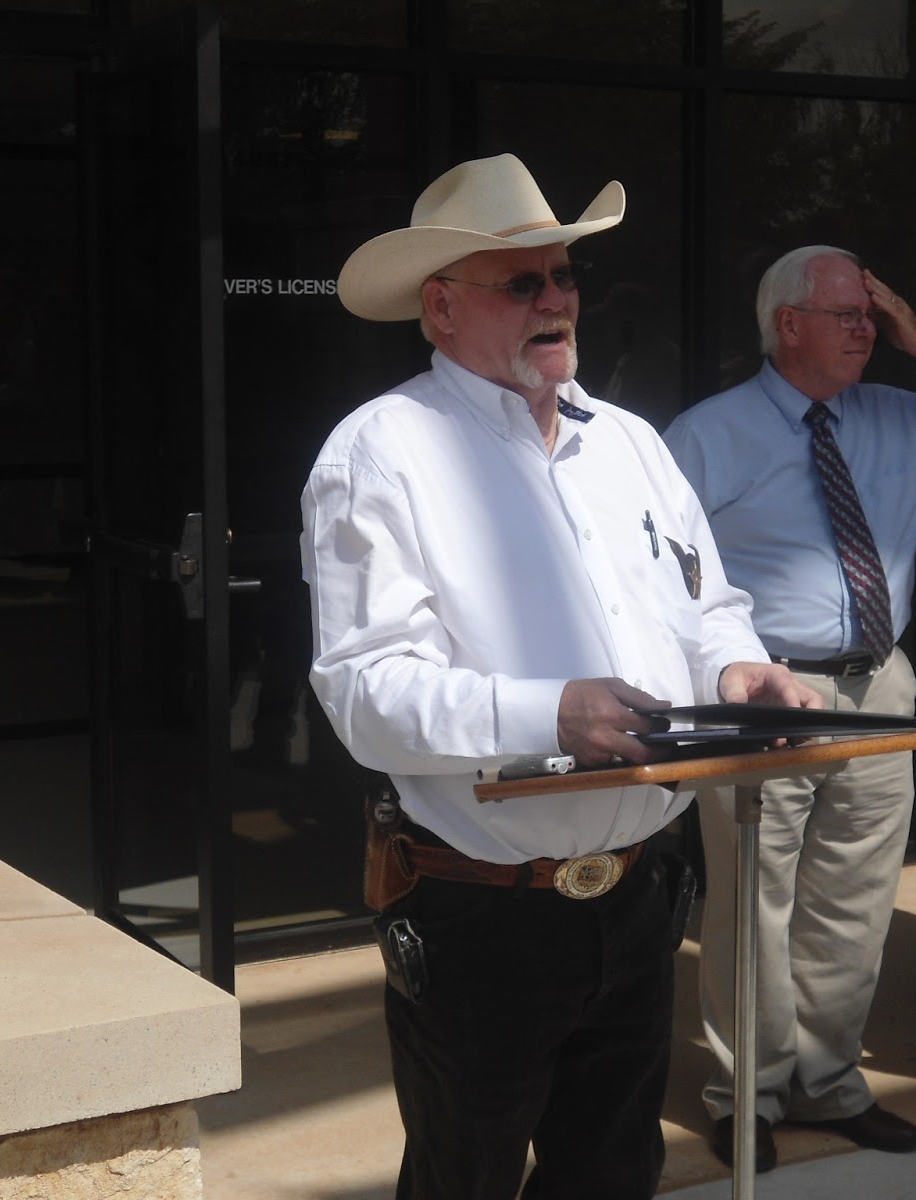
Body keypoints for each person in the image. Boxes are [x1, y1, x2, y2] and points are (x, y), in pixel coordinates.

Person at [300, 153, 817, 1200]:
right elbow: (364, 693)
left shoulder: (629, 443)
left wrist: (737, 667)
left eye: (565, 276)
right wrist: (551, 714)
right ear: (442, 307)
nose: (556, 301)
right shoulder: (381, 450)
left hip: (640, 892)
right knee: (465, 1180)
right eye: (522, 282)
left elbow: (706, 604)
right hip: (481, 912)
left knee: (613, 1176)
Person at [664, 246, 916, 1171]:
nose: (868, 328)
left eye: (873, 315)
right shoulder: (708, 434)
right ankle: (747, 1095)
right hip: (763, 689)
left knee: (854, 899)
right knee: (753, 901)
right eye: (849, 314)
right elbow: (659, 574)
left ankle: (827, 1083)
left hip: (879, 685)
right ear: (788, 325)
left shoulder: (900, 417)